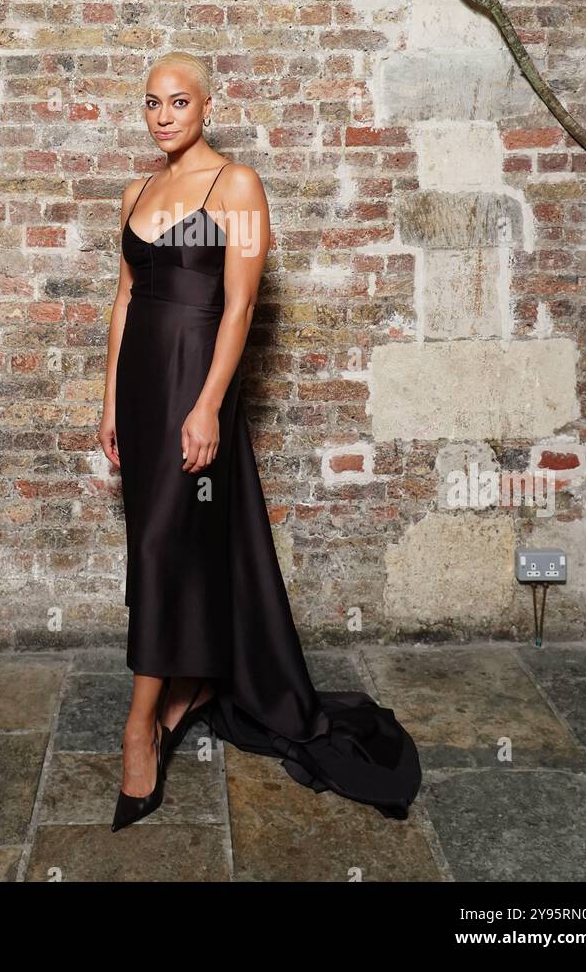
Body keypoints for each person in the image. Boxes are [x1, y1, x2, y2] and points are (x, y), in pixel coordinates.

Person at [99, 51, 421, 832]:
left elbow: (240, 308)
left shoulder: (235, 185)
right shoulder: (136, 190)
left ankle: (140, 729)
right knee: (158, 544)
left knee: (161, 548)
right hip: (141, 390)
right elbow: (123, 298)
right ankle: (189, 687)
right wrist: (107, 401)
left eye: (178, 101)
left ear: (208, 105)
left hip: (194, 384)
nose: (163, 115)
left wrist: (208, 404)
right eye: (151, 103)